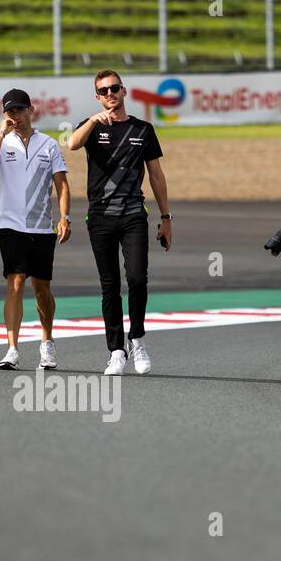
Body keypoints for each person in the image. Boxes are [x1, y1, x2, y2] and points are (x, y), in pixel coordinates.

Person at [66, 70, 172, 376]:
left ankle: (137, 337)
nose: (110, 93)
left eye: (114, 88)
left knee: (138, 278)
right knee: (109, 285)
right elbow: (71, 144)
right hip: (99, 217)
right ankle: (116, 350)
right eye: (103, 90)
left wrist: (166, 218)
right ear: (98, 97)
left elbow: (156, 175)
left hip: (133, 215)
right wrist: (92, 121)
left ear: (124, 91)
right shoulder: (91, 127)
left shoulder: (143, 129)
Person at [0, 88, 72, 371]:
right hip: (10, 225)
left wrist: (65, 216)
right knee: (15, 280)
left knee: (41, 288)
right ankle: (12, 348)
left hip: (42, 228)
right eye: (9, 112)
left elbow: (62, 185)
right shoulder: (1, 143)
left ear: (30, 110)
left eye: (19, 110)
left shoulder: (50, 144)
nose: (14, 116)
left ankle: (47, 341)